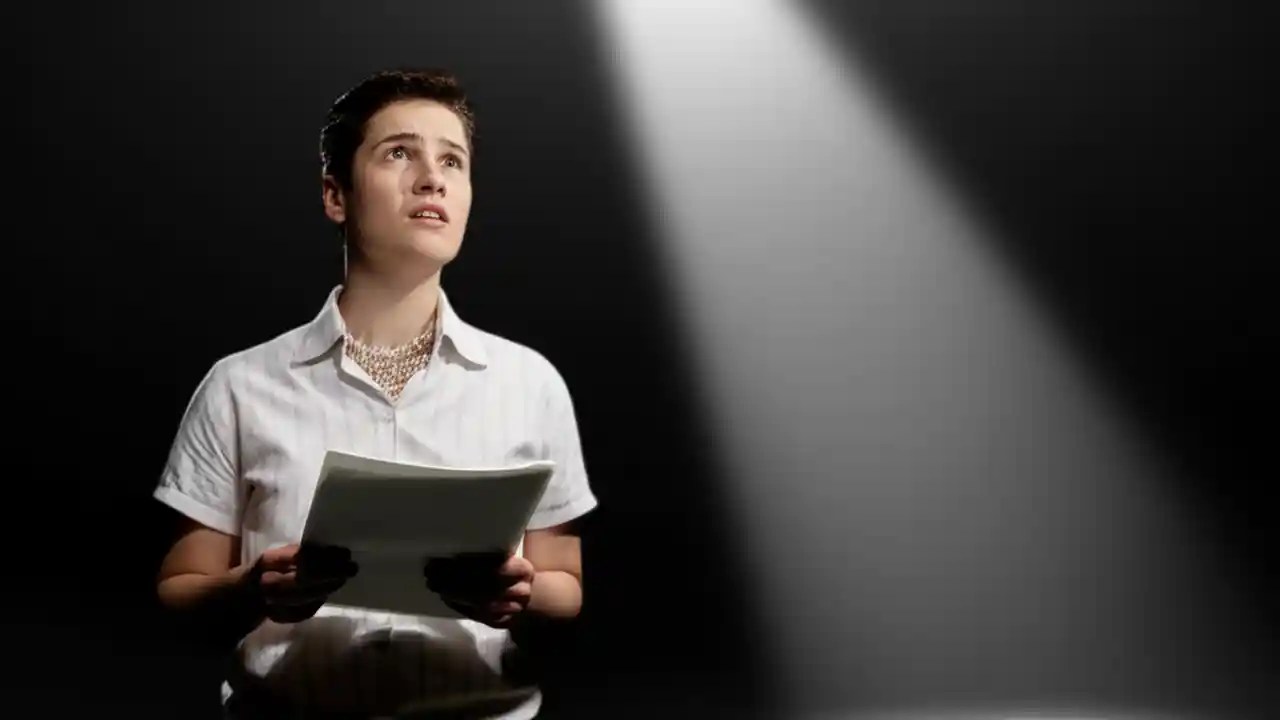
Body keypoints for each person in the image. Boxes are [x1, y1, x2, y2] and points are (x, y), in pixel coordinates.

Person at [152, 68, 598, 719]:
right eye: (399, 153)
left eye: (453, 160)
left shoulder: (530, 383)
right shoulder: (239, 385)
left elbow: (567, 586)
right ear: (336, 194)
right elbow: (179, 591)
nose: (431, 178)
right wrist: (254, 588)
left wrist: (520, 593)